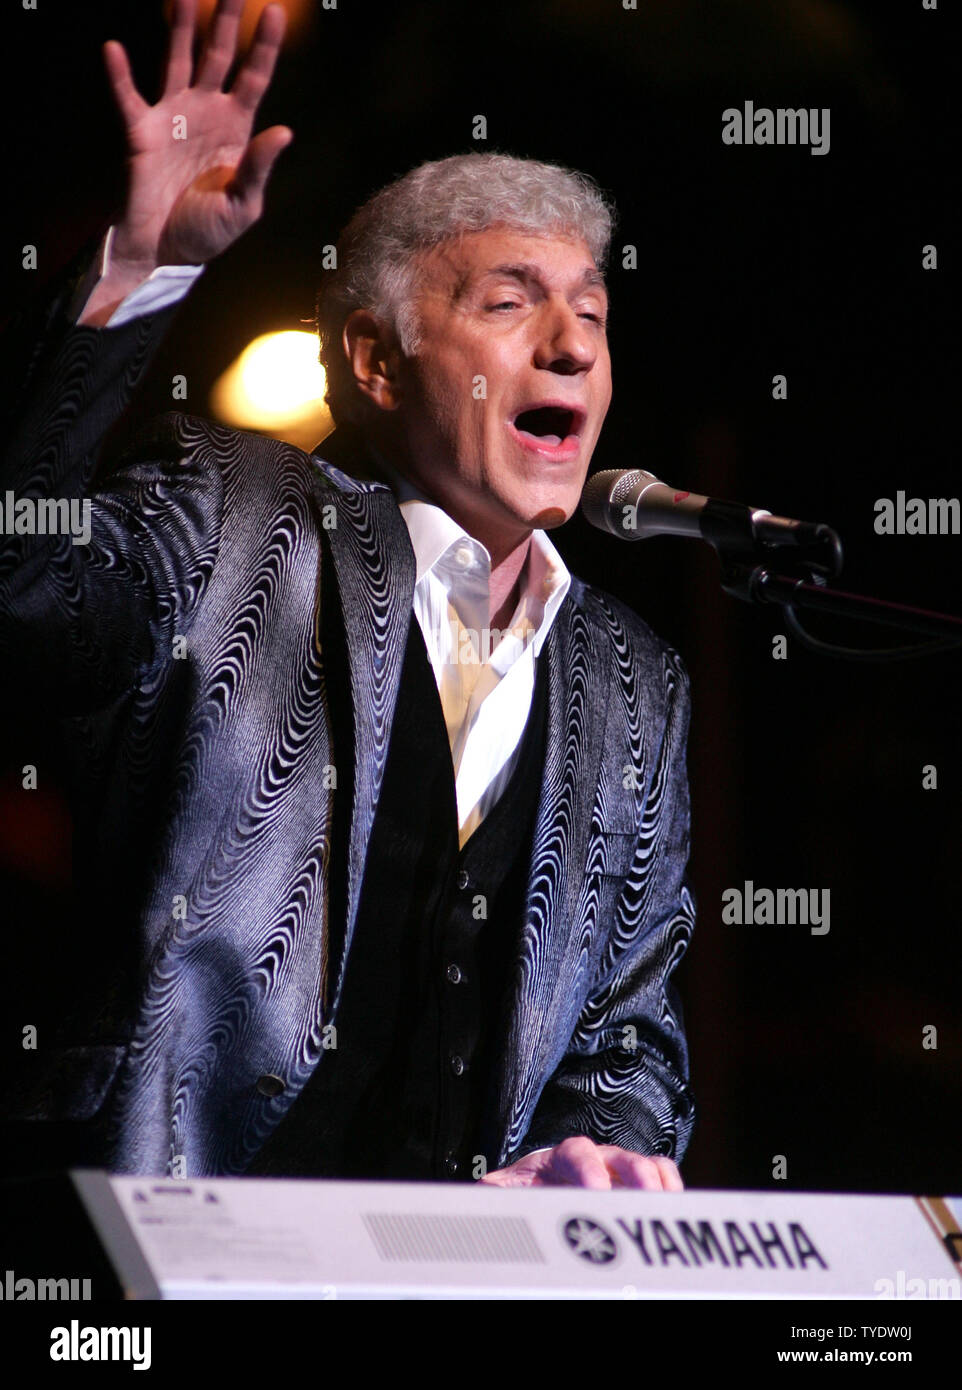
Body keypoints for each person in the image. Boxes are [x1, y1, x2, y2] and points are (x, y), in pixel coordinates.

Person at [0, 0, 695, 1191]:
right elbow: (23, 582)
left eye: (591, 312)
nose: (571, 346)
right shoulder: (227, 506)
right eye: (509, 301)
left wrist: (596, 1159)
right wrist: (139, 269)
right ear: (373, 362)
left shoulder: (634, 679)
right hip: (167, 1240)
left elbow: (625, 1030)